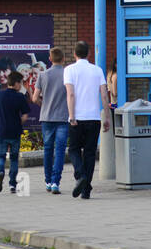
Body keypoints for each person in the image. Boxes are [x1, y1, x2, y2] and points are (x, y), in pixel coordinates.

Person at [65, 40, 108, 200]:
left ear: (74, 54)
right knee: (89, 153)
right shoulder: (97, 70)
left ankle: (80, 175)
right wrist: (107, 117)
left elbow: (70, 94)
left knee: (74, 150)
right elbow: (104, 95)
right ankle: (86, 190)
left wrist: (72, 116)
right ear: (89, 53)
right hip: (94, 117)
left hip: (77, 117)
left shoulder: (69, 70)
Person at [31, 46, 68, 194]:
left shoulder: (42, 75)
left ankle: (47, 180)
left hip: (46, 116)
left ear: (50, 59)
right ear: (63, 58)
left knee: (47, 149)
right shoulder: (67, 74)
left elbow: (34, 98)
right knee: (59, 150)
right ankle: (55, 182)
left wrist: (43, 104)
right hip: (63, 117)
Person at [0, 70, 31, 194]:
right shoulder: (20, 97)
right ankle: (12, 184)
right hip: (15, 132)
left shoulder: (0, 95)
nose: (21, 86)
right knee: (13, 158)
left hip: (2, 130)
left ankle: (0, 171)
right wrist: (19, 123)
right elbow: (25, 116)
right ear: (17, 83)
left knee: (1, 155)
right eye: (21, 83)